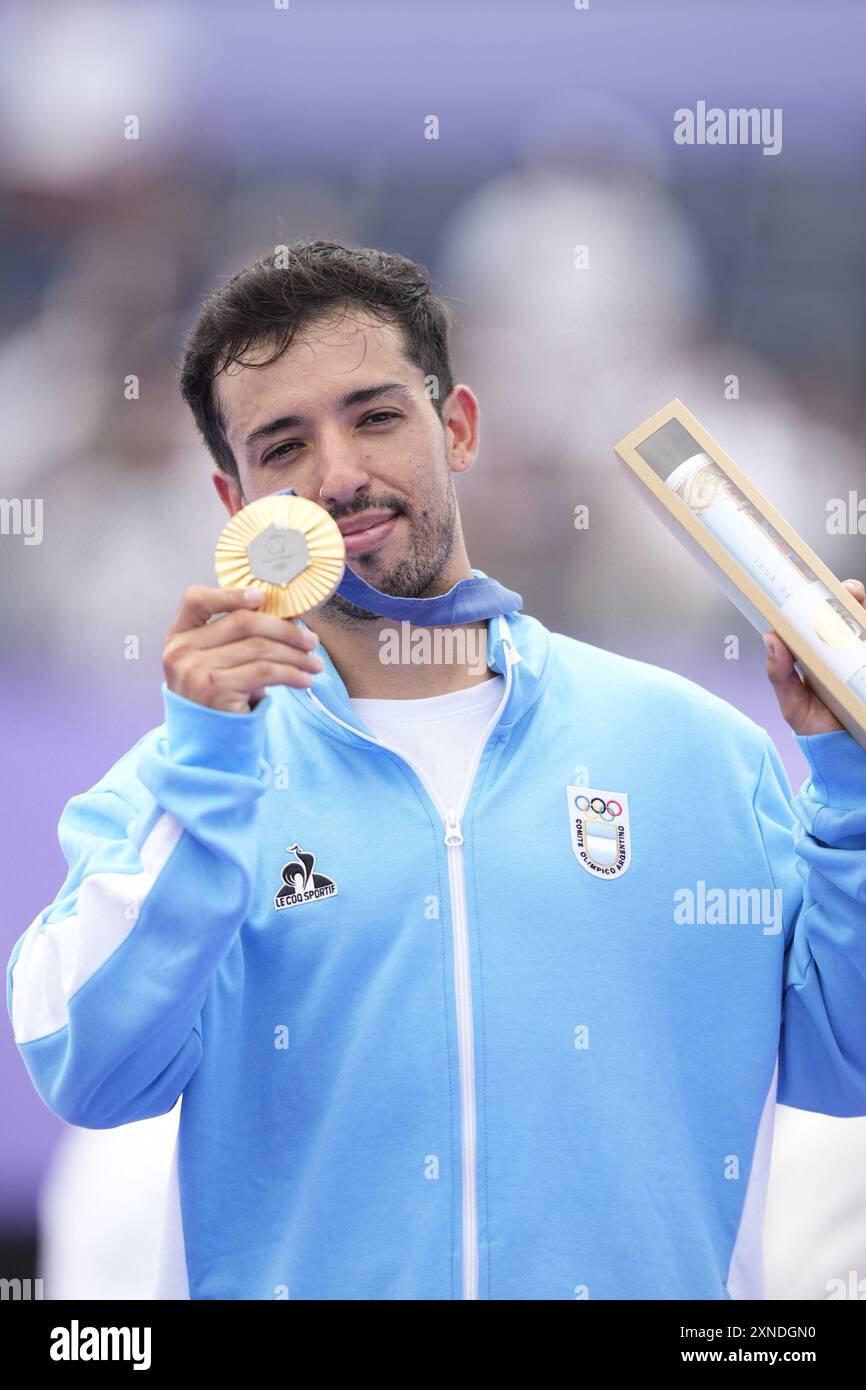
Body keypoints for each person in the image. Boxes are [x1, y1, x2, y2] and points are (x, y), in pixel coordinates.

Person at [7, 240, 866, 1301]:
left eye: (375, 416)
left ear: (454, 426)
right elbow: (87, 1069)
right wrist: (207, 771)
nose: (338, 475)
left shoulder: (694, 747)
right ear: (237, 504)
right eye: (283, 447)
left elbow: (846, 1053)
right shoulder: (177, 784)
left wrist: (854, 794)